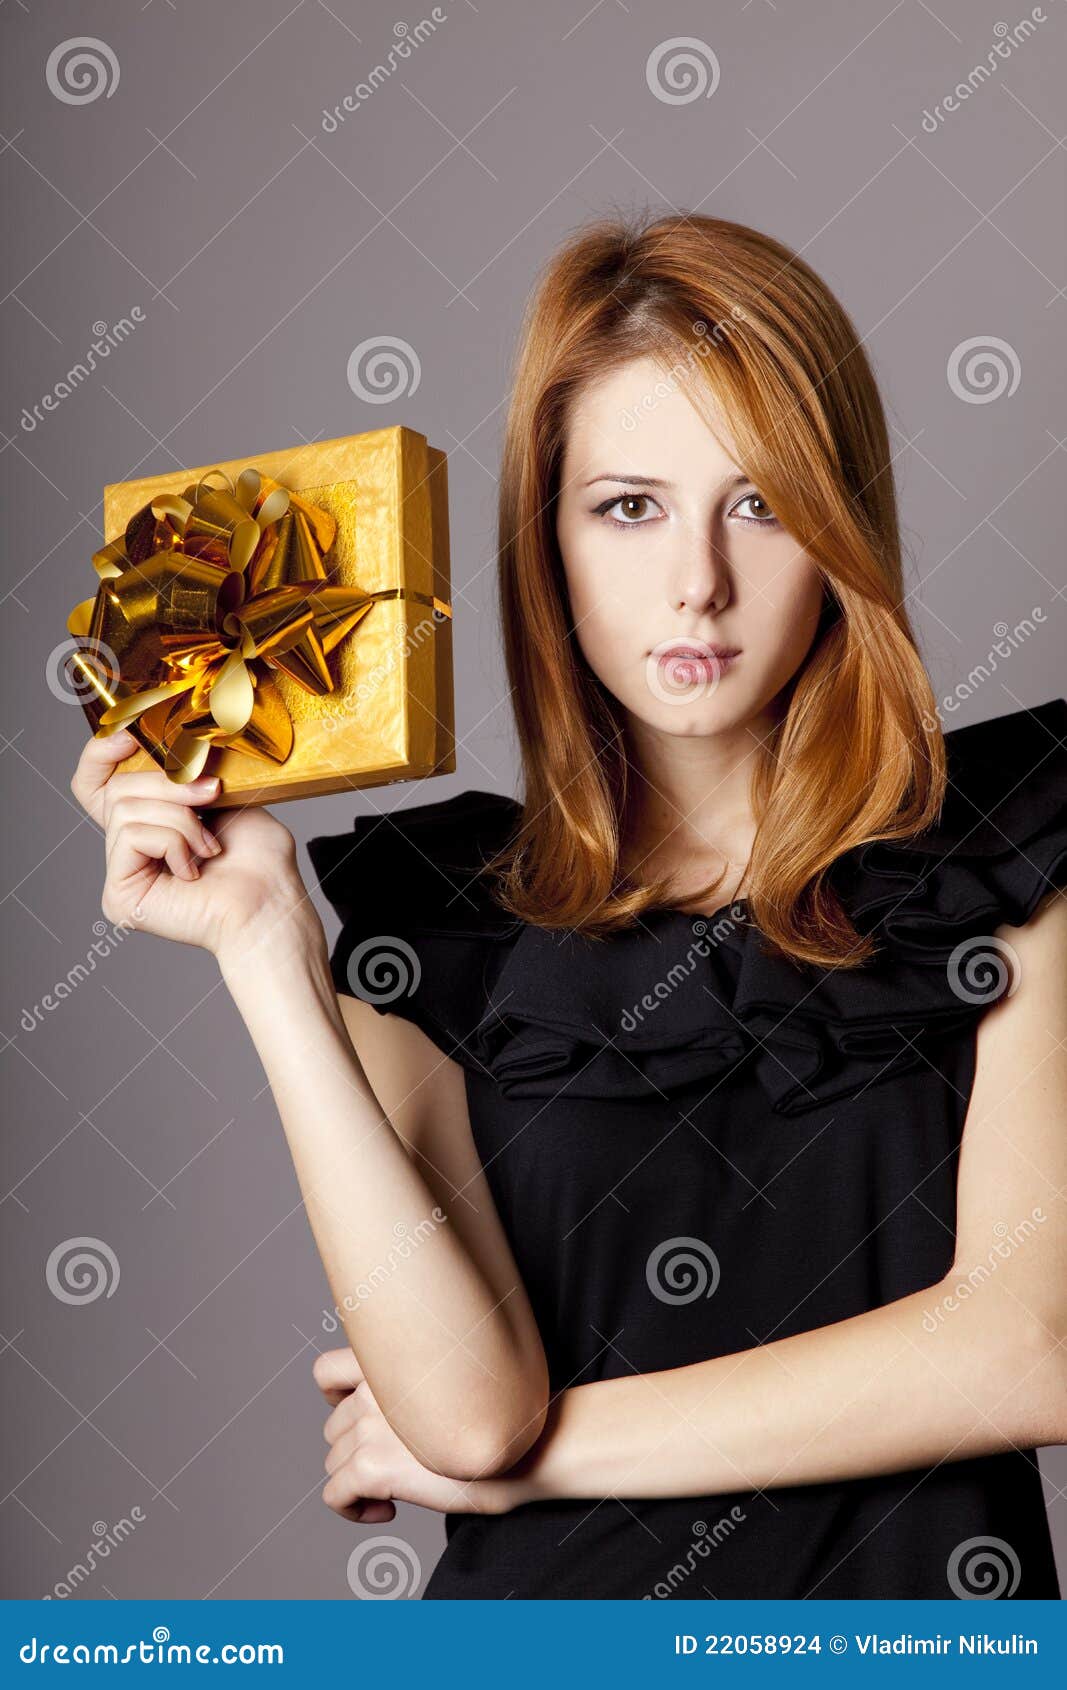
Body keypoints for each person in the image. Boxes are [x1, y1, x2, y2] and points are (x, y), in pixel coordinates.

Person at [70, 212, 1067, 1600]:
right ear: (550, 541)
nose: (698, 581)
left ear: (842, 525)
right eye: (629, 506)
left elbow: (1029, 1345)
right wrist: (263, 948)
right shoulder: (441, 929)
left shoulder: (1016, 857)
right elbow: (468, 1411)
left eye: (761, 502)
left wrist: (549, 1455)